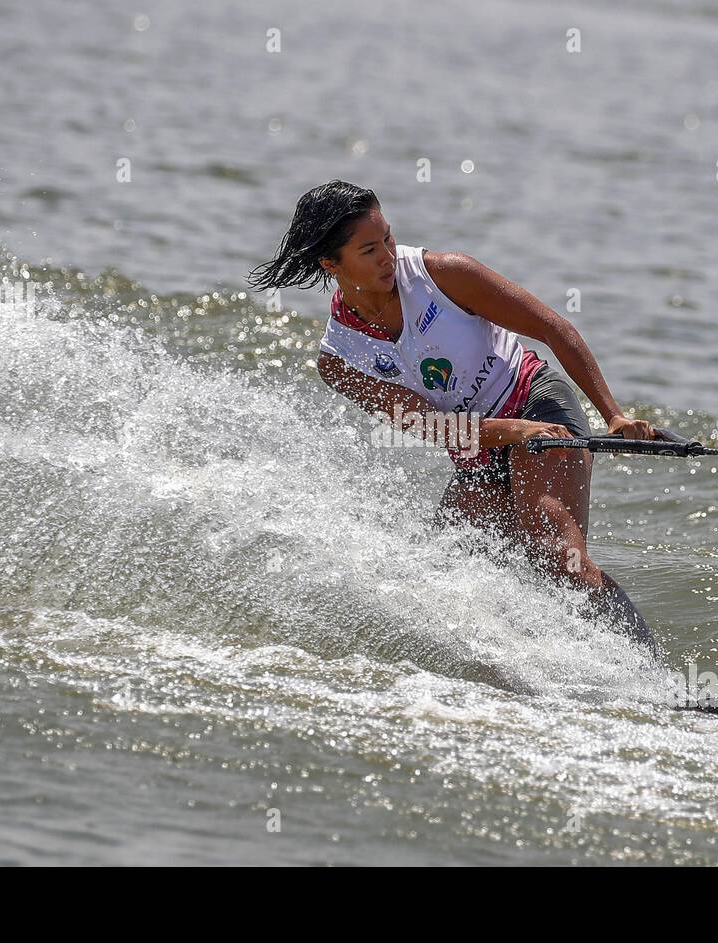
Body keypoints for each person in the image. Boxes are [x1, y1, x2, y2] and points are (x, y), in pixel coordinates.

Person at [248, 180, 657, 652]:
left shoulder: (443, 275)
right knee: (450, 581)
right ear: (330, 263)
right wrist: (510, 433)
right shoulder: (340, 358)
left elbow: (551, 327)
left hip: (532, 400)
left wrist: (613, 415)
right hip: (481, 447)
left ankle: (659, 684)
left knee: (557, 559)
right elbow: (433, 427)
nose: (387, 256)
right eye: (368, 250)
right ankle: (540, 675)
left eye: (388, 237)